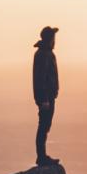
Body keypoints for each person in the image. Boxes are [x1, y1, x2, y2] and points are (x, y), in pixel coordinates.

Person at [33, 25, 59, 164]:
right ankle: (41, 157)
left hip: (48, 97)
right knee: (43, 126)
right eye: (54, 38)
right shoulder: (44, 54)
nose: (55, 41)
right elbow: (40, 78)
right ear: (50, 39)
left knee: (45, 126)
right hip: (46, 98)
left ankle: (42, 156)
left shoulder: (45, 53)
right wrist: (44, 99)